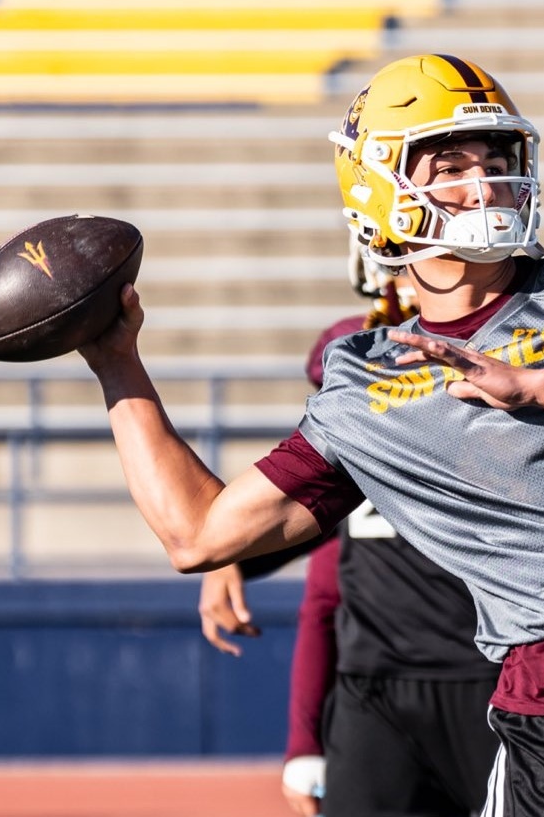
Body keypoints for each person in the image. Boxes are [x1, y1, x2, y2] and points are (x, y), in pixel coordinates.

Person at [81, 53, 544, 816]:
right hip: (531, 709)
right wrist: (116, 364)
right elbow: (197, 533)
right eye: (452, 163)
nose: (486, 184)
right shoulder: (366, 379)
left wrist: (533, 385)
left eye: (497, 160)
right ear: (378, 185)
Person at [200, 270, 500, 817]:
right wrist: (232, 562)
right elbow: (321, 597)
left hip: (492, 682)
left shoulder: (491, 426)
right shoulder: (348, 457)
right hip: (375, 692)